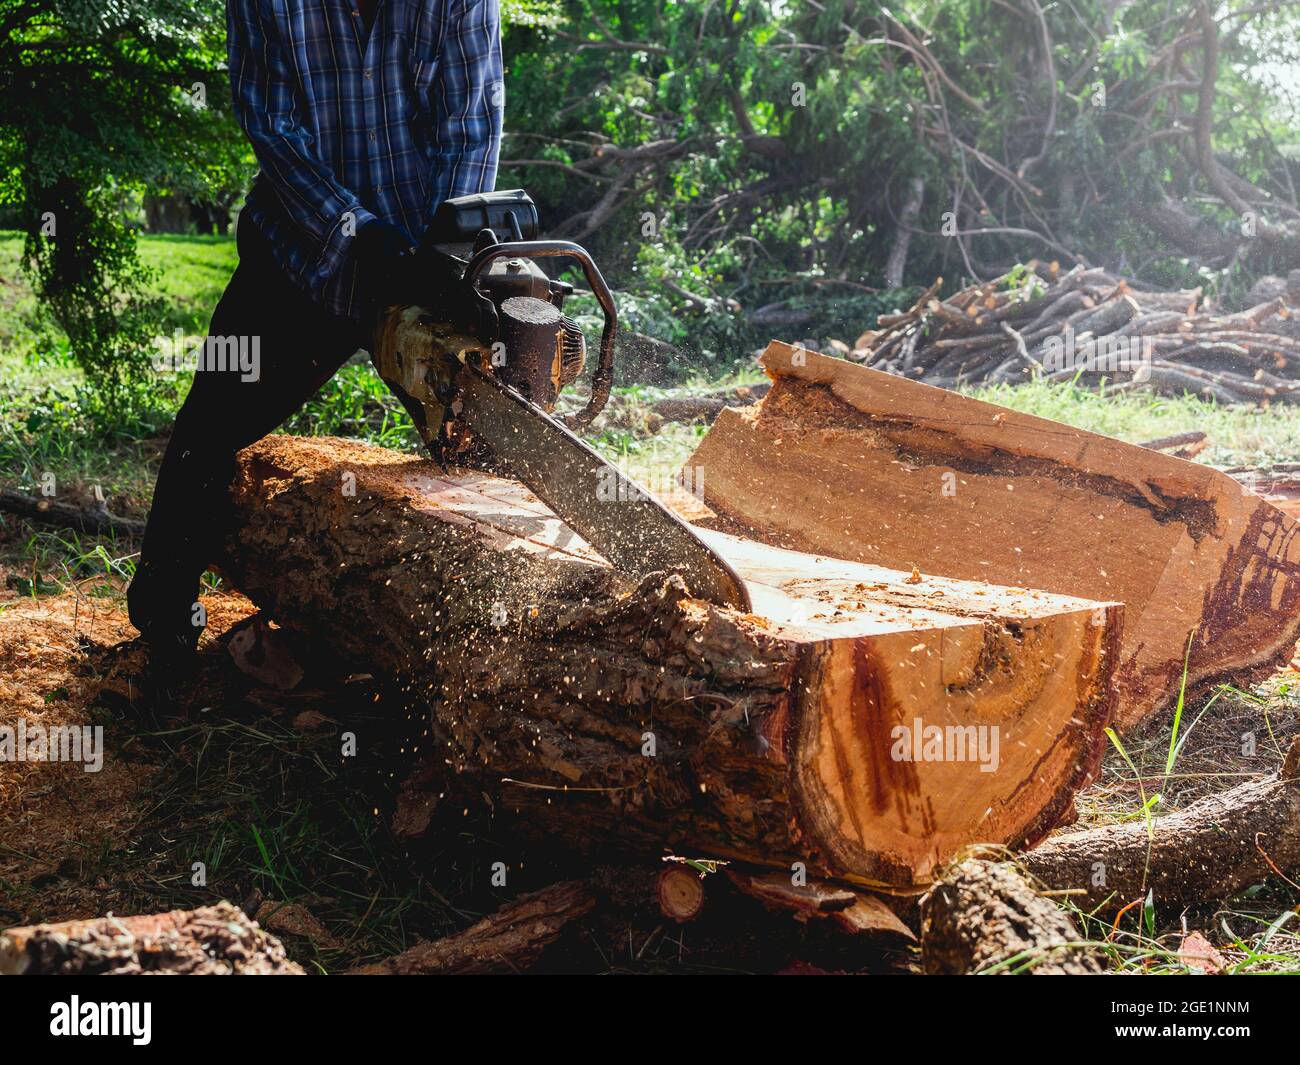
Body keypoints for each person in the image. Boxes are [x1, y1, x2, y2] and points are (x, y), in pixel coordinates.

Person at [127, 0, 503, 693]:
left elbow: (471, 126)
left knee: (485, 450)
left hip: (427, 258)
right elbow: (272, 125)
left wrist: (440, 261)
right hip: (302, 256)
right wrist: (358, 233)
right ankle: (164, 621)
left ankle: (499, 639)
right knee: (209, 428)